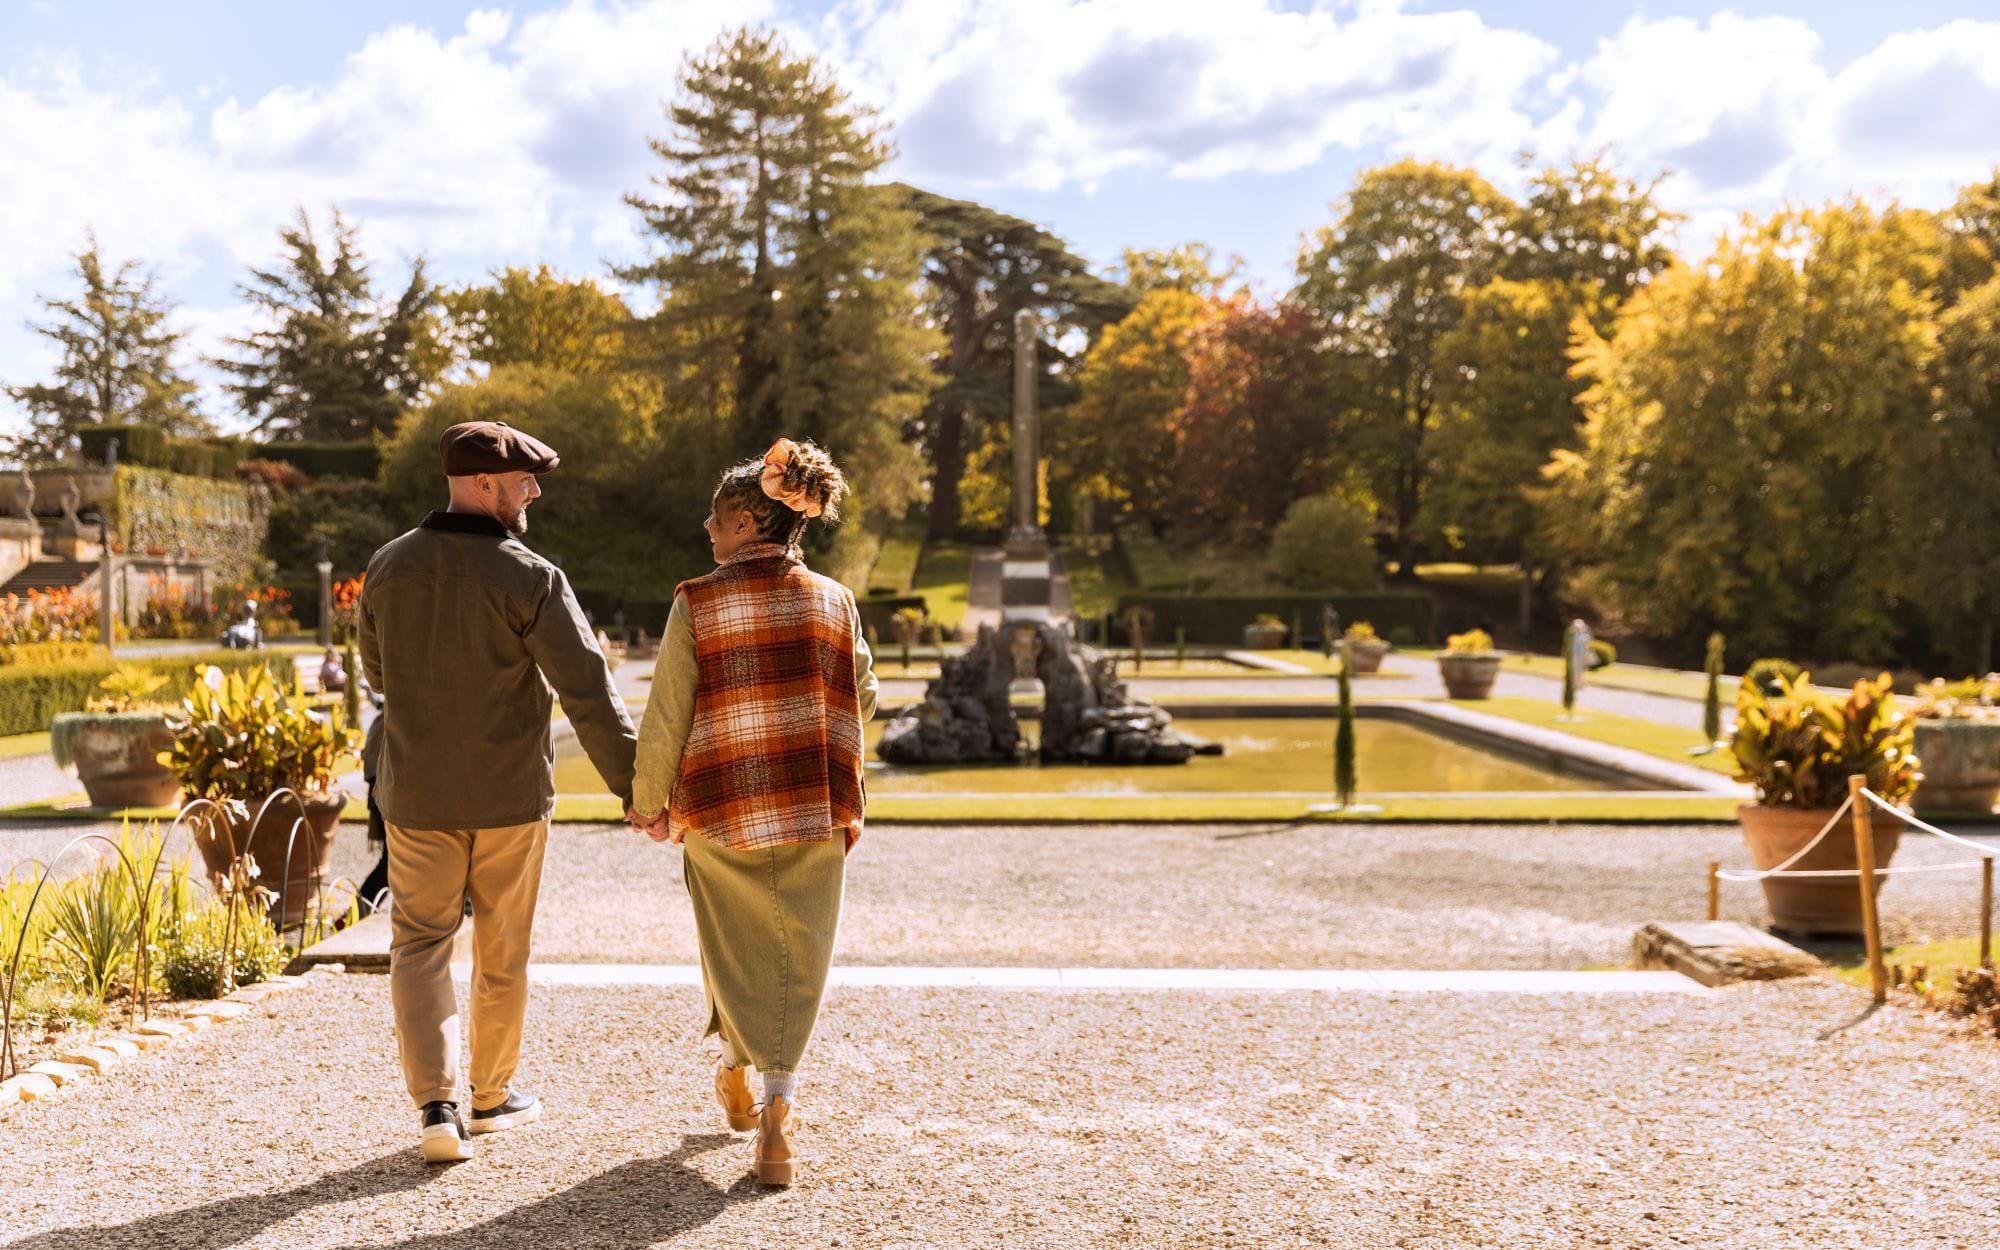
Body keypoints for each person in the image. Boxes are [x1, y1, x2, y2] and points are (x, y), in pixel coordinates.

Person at [359, 419, 639, 1165]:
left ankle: (435, 1110)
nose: (535, 491)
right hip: (510, 798)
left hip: (416, 796)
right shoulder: (532, 576)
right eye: (524, 481)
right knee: (503, 950)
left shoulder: (386, 567)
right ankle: (488, 1098)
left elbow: (379, 679)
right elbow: (590, 691)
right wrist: (638, 789)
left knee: (418, 947)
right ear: (483, 484)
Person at [630, 437, 878, 1189]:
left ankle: (741, 1068)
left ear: (745, 520)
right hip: (812, 805)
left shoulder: (697, 603)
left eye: (716, 517)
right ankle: (777, 1107)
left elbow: (668, 713)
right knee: (799, 958)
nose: (707, 529)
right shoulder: (834, 600)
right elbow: (862, 697)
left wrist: (648, 804)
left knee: (730, 949)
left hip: (722, 803)